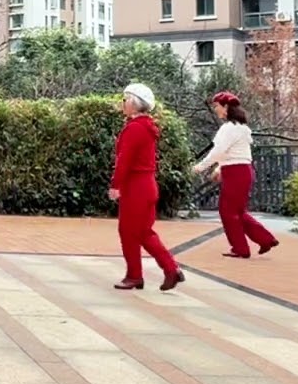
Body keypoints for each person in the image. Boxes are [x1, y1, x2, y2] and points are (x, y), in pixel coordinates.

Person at [110, 83, 184, 291]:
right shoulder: (146, 126)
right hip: (147, 184)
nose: (123, 103)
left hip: (136, 186)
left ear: (135, 103)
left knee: (128, 232)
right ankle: (170, 269)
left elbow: (125, 159)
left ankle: (135, 275)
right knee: (143, 232)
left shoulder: (134, 128)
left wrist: (116, 184)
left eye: (125, 99)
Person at [193, 91, 280, 258]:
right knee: (238, 211)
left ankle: (241, 248)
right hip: (242, 170)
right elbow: (234, 153)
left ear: (225, 107)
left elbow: (219, 151)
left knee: (228, 212)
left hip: (235, 172)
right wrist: (219, 168)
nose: (215, 109)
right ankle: (265, 239)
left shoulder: (228, 129)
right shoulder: (241, 128)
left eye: (217, 106)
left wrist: (200, 167)